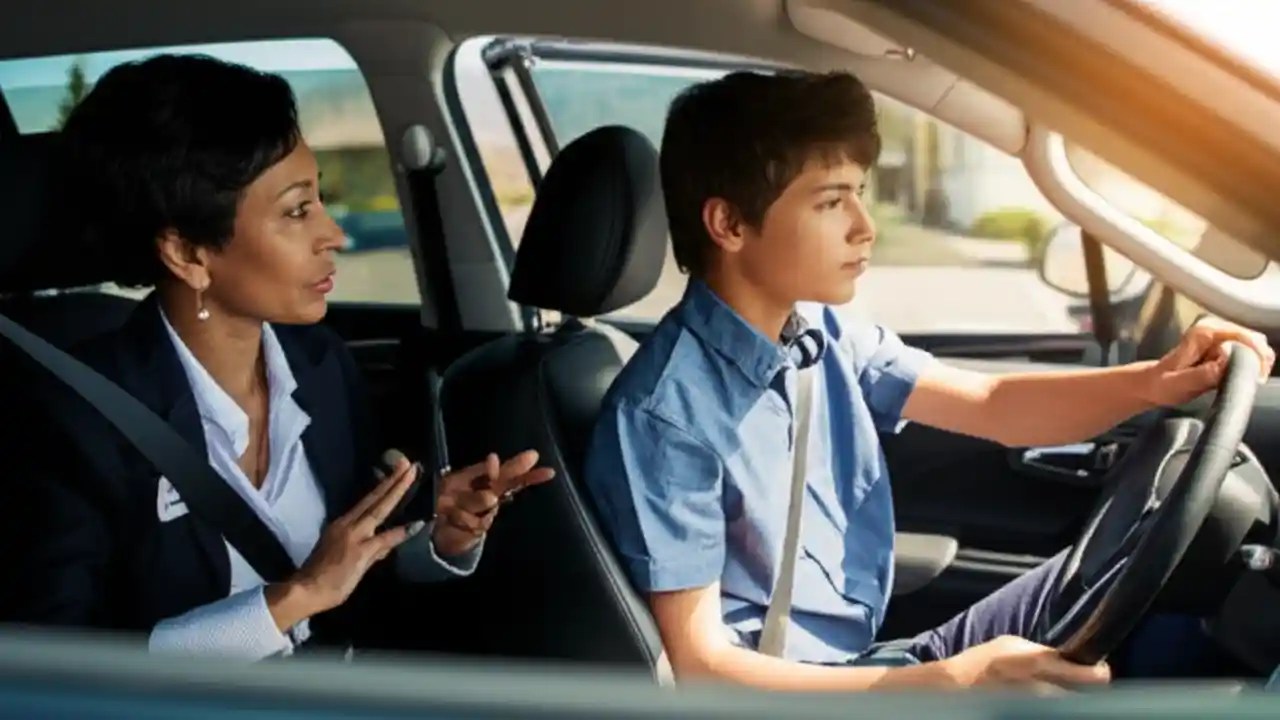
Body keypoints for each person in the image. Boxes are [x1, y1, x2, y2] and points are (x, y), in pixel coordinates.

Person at [582, 70, 1275, 692]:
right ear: (728, 223)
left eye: (859, 194)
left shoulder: (820, 332)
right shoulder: (665, 415)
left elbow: (992, 404)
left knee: (1140, 575)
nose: (863, 227)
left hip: (873, 670)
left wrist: (1155, 382)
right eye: (830, 203)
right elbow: (703, 670)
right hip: (805, 698)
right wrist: (942, 685)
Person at [0, 54, 553, 659]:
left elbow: (353, 585)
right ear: (188, 254)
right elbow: (56, 674)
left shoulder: (320, 364)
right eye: (296, 211)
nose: (334, 235)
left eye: (320, 200)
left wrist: (437, 536)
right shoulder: (70, 422)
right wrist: (294, 597)